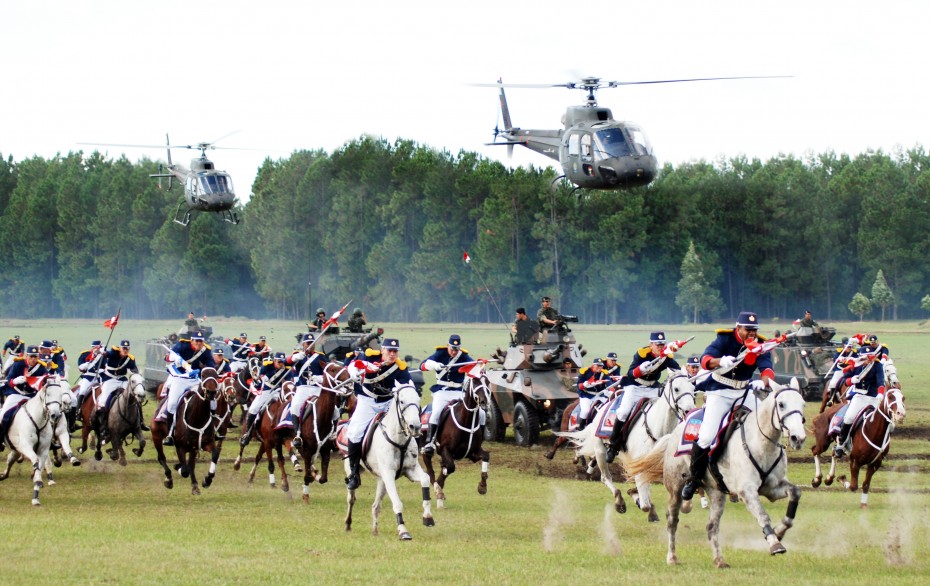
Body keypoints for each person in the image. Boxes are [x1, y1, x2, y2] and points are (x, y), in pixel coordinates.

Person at [681, 311, 775, 501]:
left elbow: (767, 368)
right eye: (748, 329)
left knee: (762, 425)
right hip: (720, 393)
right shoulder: (724, 339)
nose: (752, 333)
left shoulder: (759, 345)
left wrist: (763, 382)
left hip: (744, 393)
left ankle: (762, 471)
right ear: (738, 328)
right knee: (706, 436)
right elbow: (705, 360)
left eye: (754, 330)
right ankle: (694, 478)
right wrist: (719, 361)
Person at [344, 338, 411, 490]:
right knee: (354, 432)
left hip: (387, 403)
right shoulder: (369, 356)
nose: (392, 354)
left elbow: (407, 385)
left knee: (405, 426)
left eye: (395, 351)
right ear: (382, 350)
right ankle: (354, 473)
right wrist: (354, 372)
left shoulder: (400, 368)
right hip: (367, 401)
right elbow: (353, 365)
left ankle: (408, 460)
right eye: (389, 351)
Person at [605, 332, 682, 463]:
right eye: (657, 344)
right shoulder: (641, 354)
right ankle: (613, 445)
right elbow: (630, 374)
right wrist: (640, 369)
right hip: (635, 387)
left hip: (652, 388)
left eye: (662, 344)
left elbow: (678, 370)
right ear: (651, 345)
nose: (660, 347)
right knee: (623, 412)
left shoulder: (666, 356)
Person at [419, 334, 473, 455]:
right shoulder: (440, 353)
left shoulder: (463, 356)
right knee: (437, 411)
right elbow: (422, 365)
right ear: (448, 345)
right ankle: (430, 442)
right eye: (452, 348)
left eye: (456, 349)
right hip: (442, 391)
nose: (454, 352)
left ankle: (471, 440)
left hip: (458, 392)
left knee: (470, 411)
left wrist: (480, 364)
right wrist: (434, 365)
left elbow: (473, 366)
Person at [832, 343, 886, 457]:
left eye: (869, 357)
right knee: (849, 418)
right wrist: (852, 380)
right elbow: (845, 380)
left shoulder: (877, 366)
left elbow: (880, 382)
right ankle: (841, 445)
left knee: (883, 420)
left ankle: (884, 445)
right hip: (859, 397)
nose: (867, 360)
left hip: (873, 397)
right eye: (865, 357)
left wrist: (880, 394)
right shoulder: (855, 365)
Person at [162, 331, 214, 446]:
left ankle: (211, 430)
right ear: (192, 340)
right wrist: (177, 359)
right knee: (172, 404)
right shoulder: (182, 345)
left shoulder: (206, 350)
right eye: (197, 341)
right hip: (179, 378)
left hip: (195, 379)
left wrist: (201, 372)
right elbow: (168, 357)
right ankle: (170, 434)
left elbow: (211, 366)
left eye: (201, 341)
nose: (199, 343)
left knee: (209, 400)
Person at [283, 333, 329, 449]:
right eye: (308, 343)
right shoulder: (298, 356)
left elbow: (327, 373)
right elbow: (285, 362)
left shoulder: (320, 356)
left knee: (333, 410)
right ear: (303, 344)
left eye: (312, 343)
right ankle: (297, 434)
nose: (310, 345)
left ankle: (331, 433)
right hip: (303, 388)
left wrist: (318, 378)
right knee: (295, 406)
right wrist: (295, 358)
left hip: (317, 388)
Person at [239, 351, 295, 446]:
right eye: (279, 362)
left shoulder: (286, 369)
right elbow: (259, 376)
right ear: (275, 361)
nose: (281, 364)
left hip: (277, 391)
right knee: (253, 408)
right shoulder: (268, 365)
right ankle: (247, 434)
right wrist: (261, 378)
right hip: (266, 390)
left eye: (282, 362)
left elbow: (289, 382)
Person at [94, 340, 141, 441]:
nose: (125, 350)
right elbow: (107, 354)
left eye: (127, 348)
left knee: (133, 396)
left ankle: (140, 421)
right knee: (103, 400)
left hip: (122, 380)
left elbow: (134, 370)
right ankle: (104, 425)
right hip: (109, 379)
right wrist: (101, 351)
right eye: (123, 348)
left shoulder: (130, 359)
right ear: (120, 348)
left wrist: (136, 374)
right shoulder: (114, 353)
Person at [575, 358, 608, 430]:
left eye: (601, 366)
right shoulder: (585, 372)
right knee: (586, 410)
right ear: (593, 365)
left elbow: (609, 382)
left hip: (598, 395)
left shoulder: (604, 373)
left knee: (607, 406)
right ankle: (581, 426)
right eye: (598, 366)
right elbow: (579, 385)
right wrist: (585, 384)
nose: (600, 368)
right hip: (586, 395)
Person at [75, 340, 105, 411]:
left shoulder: (104, 356)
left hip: (100, 378)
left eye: (97, 347)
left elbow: (107, 367)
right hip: (89, 377)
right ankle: (78, 410)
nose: (95, 348)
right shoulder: (85, 354)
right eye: (94, 347)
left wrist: (101, 370)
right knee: (82, 390)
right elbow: (81, 367)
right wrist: (89, 362)